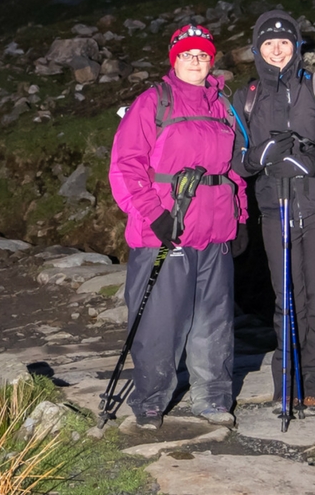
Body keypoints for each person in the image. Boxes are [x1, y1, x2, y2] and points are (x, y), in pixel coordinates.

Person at [109, 23, 248, 430]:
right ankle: (151, 401)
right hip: (165, 231)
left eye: (202, 54)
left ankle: (213, 398)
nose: (195, 61)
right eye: (187, 54)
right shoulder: (153, 102)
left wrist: (240, 219)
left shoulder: (223, 104)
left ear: (211, 60)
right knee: (159, 319)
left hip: (216, 230)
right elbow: (125, 165)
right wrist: (154, 214)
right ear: (174, 59)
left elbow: (233, 169)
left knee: (214, 321)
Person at [233, 10, 315, 414]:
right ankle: (287, 382)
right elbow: (235, 161)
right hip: (276, 208)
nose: (276, 49)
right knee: (287, 297)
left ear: (296, 47)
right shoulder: (246, 97)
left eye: (284, 42)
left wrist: (313, 162)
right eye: (268, 43)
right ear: (257, 49)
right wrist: (261, 156)